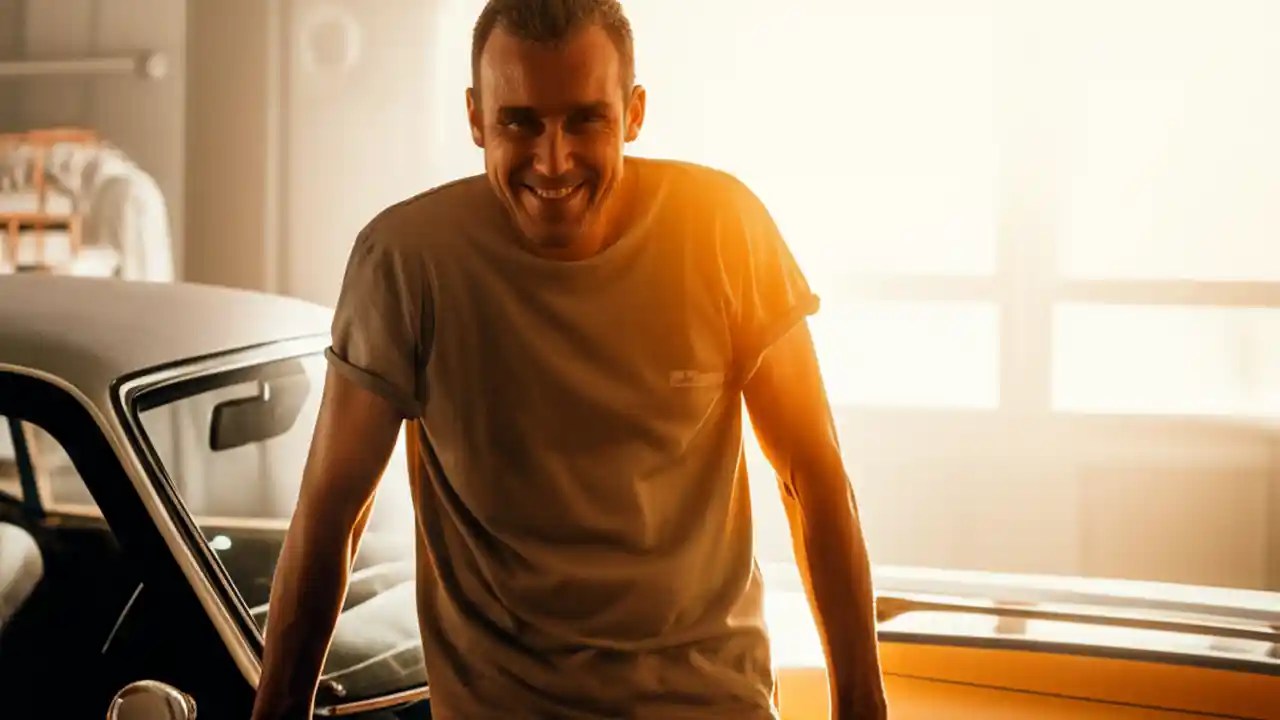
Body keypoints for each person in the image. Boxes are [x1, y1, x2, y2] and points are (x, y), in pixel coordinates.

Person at [250, 1, 887, 718]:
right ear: (474, 118)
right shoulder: (406, 262)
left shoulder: (723, 229)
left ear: (635, 112)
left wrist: (863, 707)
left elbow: (813, 474)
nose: (553, 161)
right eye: (519, 122)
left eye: (586, 119)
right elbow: (333, 512)